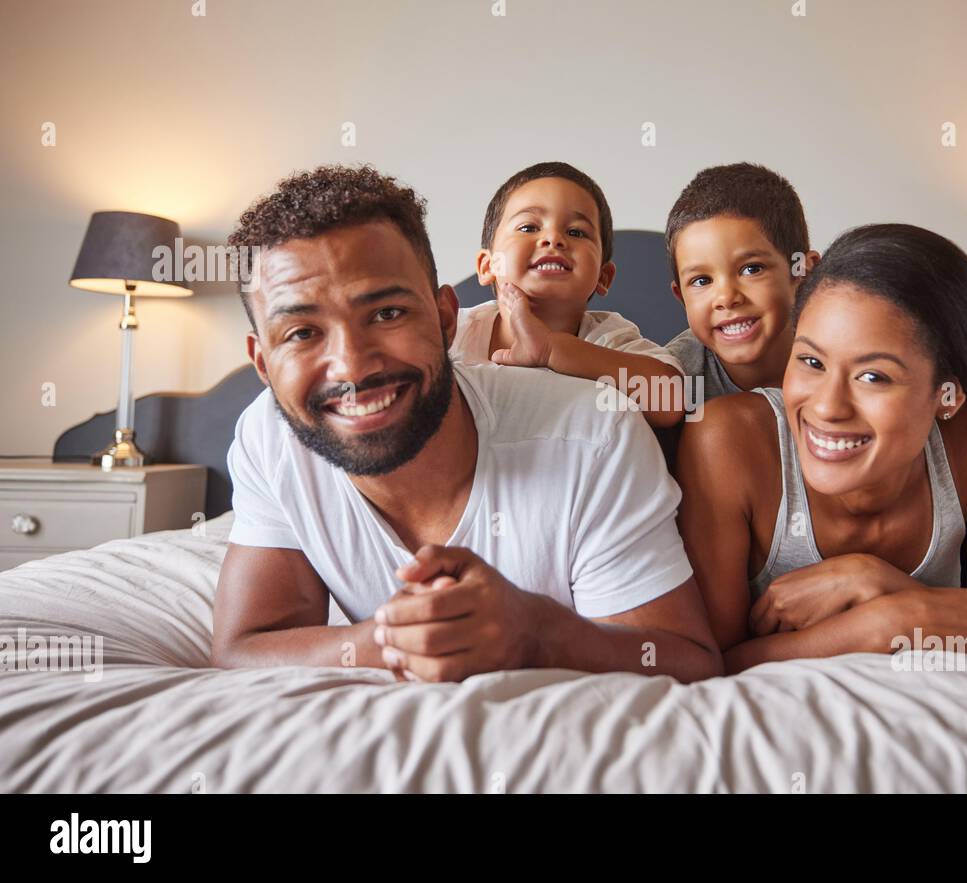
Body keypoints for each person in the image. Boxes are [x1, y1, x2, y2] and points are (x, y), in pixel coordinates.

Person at [211, 164, 721, 683]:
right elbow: (245, 647)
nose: (352, 367)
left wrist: (535, 633)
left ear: (444, 318)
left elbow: (670, 398)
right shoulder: (268, 437)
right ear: (263, 364)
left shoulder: (597, 418)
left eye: (387, 314)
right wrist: (393, 638)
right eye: (301, 332)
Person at [675, 223, 967, 674]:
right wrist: (881, 625)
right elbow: (707, 665)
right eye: (811, 361)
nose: (827, 407)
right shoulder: (723, 440)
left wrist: (881, 588)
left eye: (873, 377)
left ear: (948, 396)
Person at [455, 161, 686, 427]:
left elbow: (670, 400)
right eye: (529, 227)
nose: (553, 238)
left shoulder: (607, 339)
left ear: (603, 276)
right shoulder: (454, 334)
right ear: (487, 266)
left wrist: (552, 349)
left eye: (576, 232)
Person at [663, 162, 819, 405]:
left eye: (751, 269)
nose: (726, 297)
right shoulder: (672, 385)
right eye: (702, 280)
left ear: (805, 272)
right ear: (682, 297)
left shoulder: (844, 350)